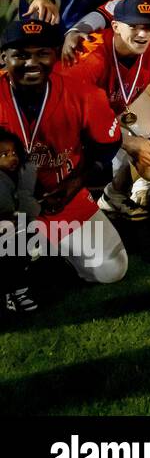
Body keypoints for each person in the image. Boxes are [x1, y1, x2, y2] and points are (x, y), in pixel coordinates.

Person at [0, 16, 127, 284]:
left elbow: (107, 146)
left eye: (42, 54)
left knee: (111, 269)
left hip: (61, 198)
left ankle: (50, 253)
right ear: (3, 58)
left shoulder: (82, 93)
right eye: (20, 55)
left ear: (55, 56)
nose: (32, 63)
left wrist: (74, 184)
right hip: (5, 206)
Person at [59, 0, 150, 220]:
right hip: (69, 119)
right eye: (133, 26)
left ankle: (115, 196)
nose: (142, 34)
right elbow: (72, 118)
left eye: (148, 27)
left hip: (116, 106)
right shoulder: (89, 57)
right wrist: (128, 141)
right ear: (115, 26)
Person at [0, 129, 41, 314]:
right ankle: (10, 292)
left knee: (19, 249)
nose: (12, 158)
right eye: (4, 154)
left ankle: (19, 291)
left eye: (14, 153)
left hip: (16, 233)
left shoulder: (21, 175)